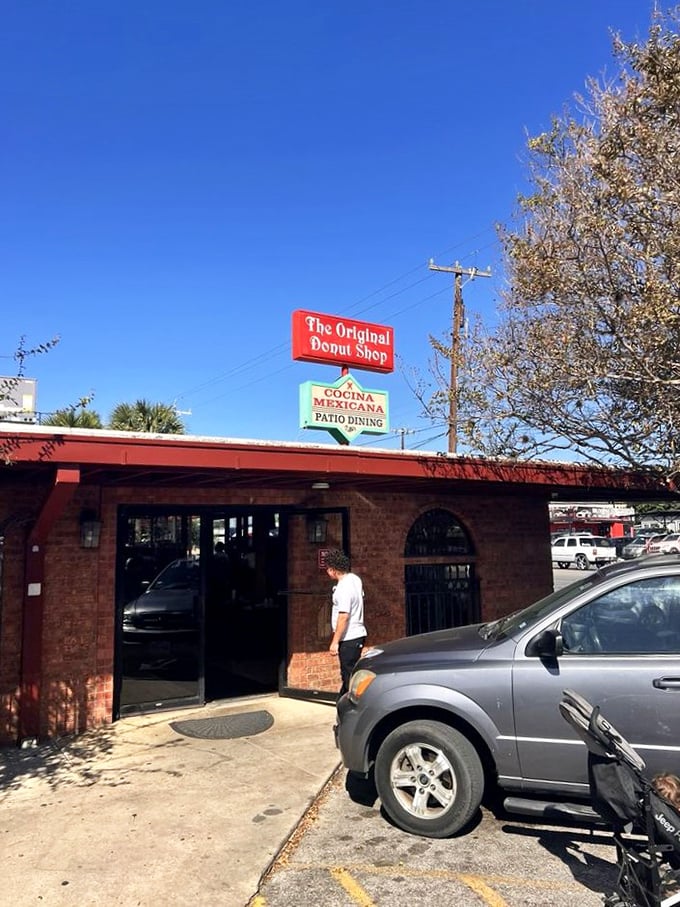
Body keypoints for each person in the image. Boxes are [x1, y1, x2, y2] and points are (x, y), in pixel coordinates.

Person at [325, 548, 367, 696]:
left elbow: (344, 616)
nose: (327, 572)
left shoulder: (343, 588)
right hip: (358, 634)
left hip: (348, 637)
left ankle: (352, 708)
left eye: (328, 569)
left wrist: (335, 641)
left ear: (333, 570)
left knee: (348, 676)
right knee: (351, 674)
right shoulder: (355, 579)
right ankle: (343, 704)